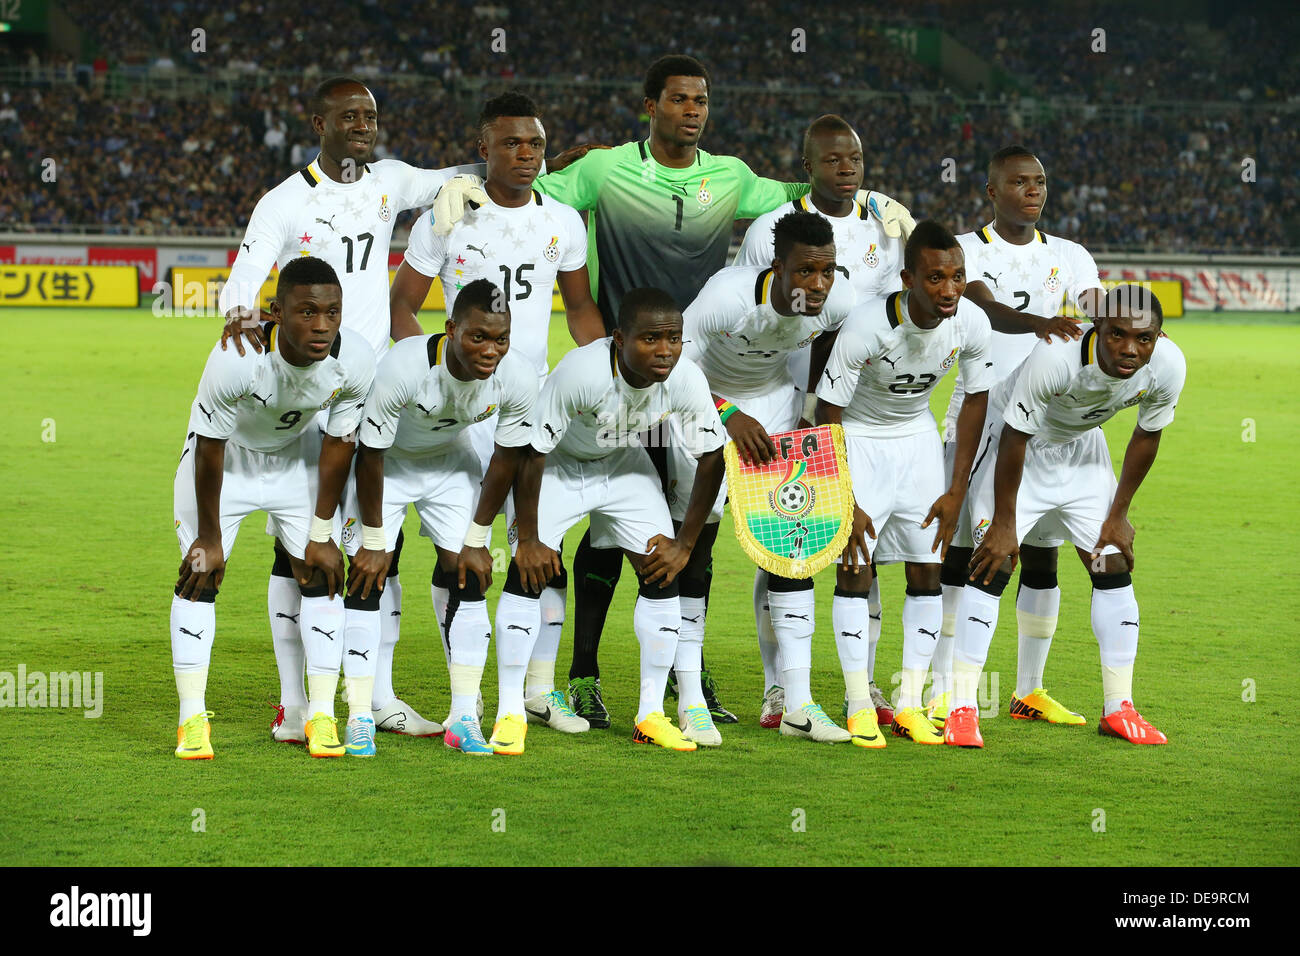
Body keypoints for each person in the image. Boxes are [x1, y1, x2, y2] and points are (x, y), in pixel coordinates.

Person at [436, 54, 913, 728]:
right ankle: (580, 675)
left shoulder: (733, 178)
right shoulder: (606, 171)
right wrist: (460, 184)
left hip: (690, 383)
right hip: (629, 367)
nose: (693, 111)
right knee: (608, 534)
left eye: (702, 100)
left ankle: (693, 675)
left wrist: (874, 201)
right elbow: (526, 179)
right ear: (651, 104)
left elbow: (807, 192)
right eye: (680, 99)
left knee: (690, 536)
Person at [217, 76, 459, 742]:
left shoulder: (390, 181)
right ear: (316, 121)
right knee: (300, 548)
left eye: (371, 115)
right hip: (308, 401)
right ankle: (297, 705)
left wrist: (531, 164)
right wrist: (241, 320)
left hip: (374, 394)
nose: (362, 124)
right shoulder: (284, 202)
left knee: (382, 542)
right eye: (348, 115)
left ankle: (376, 696)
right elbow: (244, 281)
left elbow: (455, 180)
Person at [389, 91, 603, 735]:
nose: (526, 154)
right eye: (510, 143)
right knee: (460, 553)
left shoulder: (564, 222)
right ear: (482, 149)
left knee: (541, 546)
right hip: (464, 413)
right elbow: (404, 305)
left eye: (535, 143)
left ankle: (539, 690)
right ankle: (469, 694)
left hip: (533, 403)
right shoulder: (447, 217)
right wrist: (428, 375)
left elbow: (582, 309)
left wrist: (604, 374)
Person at [947, 285, 1185, 748]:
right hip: (1019, 448)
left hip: (1082, 452)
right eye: (1117, 334)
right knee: (994, 564)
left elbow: (1147, 435)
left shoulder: (1169, 364)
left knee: (1110, 559)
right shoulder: (1056, 357)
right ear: (1097, 326)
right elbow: (1014, 439)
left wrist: (1119, 515)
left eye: (1145, 338)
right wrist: (1003, 523)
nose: (1131, 349)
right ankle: (961, 707)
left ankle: (1119, 708)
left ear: (1159, 336)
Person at [733, 114, 906, 729]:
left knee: (867, 546)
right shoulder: (771, 230)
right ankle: (779, 687)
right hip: (791, 400)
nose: (847, 167)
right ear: (807, 166)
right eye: (833, 159)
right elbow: (750, 308)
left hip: (862, 408)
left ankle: (866, 686)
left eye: (855, 157)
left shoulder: (889, 227)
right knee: (786, 543)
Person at [930, 145, 1106, 730]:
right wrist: (1040, 325)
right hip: (979, 417)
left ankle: (1028, 689)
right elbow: (982, 307)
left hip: (1049, 426)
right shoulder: (968, 251)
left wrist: (1117, 316)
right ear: (991, 190)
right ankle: (938, 688)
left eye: (1040, 182)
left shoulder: (1071, 254)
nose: (1033, 191)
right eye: (1020, 182)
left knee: (1042, 554)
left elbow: (1091, 304)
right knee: (962, 556)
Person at [172, 257, 375, 759]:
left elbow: (338, 441)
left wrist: (322, 530)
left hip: (295, 460)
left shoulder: (356, 359)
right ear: (276, 312)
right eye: (307, 312)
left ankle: (320, 716)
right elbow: (209, 447)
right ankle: (191, 721)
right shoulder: (237, 356)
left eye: (332, 312)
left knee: (322, 573)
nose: (322, 325)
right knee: (200, 574)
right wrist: (210, 537)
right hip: (226, 464)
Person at [510, 288, 727, 750]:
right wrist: (527, 536)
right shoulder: (581, 373)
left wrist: (684, 545)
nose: (665, 350)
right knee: (529, 570)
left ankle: (650, 714)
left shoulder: (684, 377)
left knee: (661, 567)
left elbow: (712, 456)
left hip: (622, 464)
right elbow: (532, 454)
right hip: (559, 467)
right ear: (618, 339)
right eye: (651, 339)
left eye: (674, 338)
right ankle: (520, 703)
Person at [669, 211, 854, 745]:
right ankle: (690, 700)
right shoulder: (726, 296)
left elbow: (837, 340)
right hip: (702, 407)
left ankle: (797, 704)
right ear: (777, 267)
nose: (818, 285)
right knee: (696, 550)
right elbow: (672, 366)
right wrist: (726, 413)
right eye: (806, 272)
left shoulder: (835, 299)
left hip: (774, 413)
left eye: (828, 271)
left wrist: (808, 403)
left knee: (791, 547)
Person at [345, 279, 543, 756]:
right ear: (452, 329)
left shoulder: (515, 377)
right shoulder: (405, 366)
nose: (491, 350)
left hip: (449, 465)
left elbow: (507, 458)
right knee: (368, 576)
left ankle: (463, 717)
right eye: (478, 337)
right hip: (387, 464)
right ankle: (358, 716)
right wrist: (374, 540)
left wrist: (477, 538)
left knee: (470, 575)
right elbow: (369, 454)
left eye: (501, 339)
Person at [815, 221, 992, 748]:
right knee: (854, 570)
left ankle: (911, 702)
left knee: (927, 572)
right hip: (859, 440)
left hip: (916, 439)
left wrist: (956, 487)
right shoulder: (867, 326)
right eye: (936, 278)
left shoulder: (970, 323)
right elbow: (828, 414)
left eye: (958, 277)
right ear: (908, 277)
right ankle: (858, 704)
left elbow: (976, 397)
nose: (949, 290)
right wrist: (843, 496)